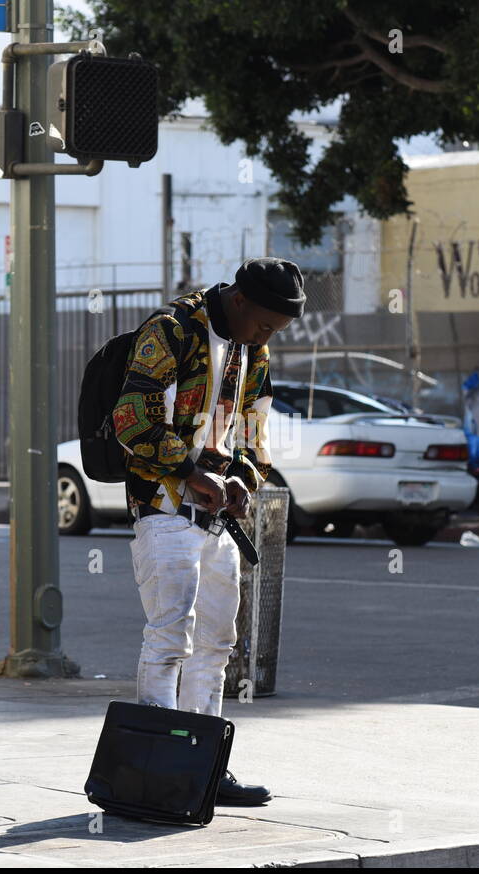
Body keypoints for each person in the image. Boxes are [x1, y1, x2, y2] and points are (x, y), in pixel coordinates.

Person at [111, 257, 303, 807]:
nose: (266, 337)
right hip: (164, 508)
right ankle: (153, 773)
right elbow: (133, 418)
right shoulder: (171, 330)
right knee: (170, 635)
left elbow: (254, 431)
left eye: (275, 331)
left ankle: (204, 769)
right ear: (239, 300)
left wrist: (242, 478)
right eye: (264, 324)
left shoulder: (253, 348)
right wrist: (190, 472)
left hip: (216, 517)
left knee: (217, 642)